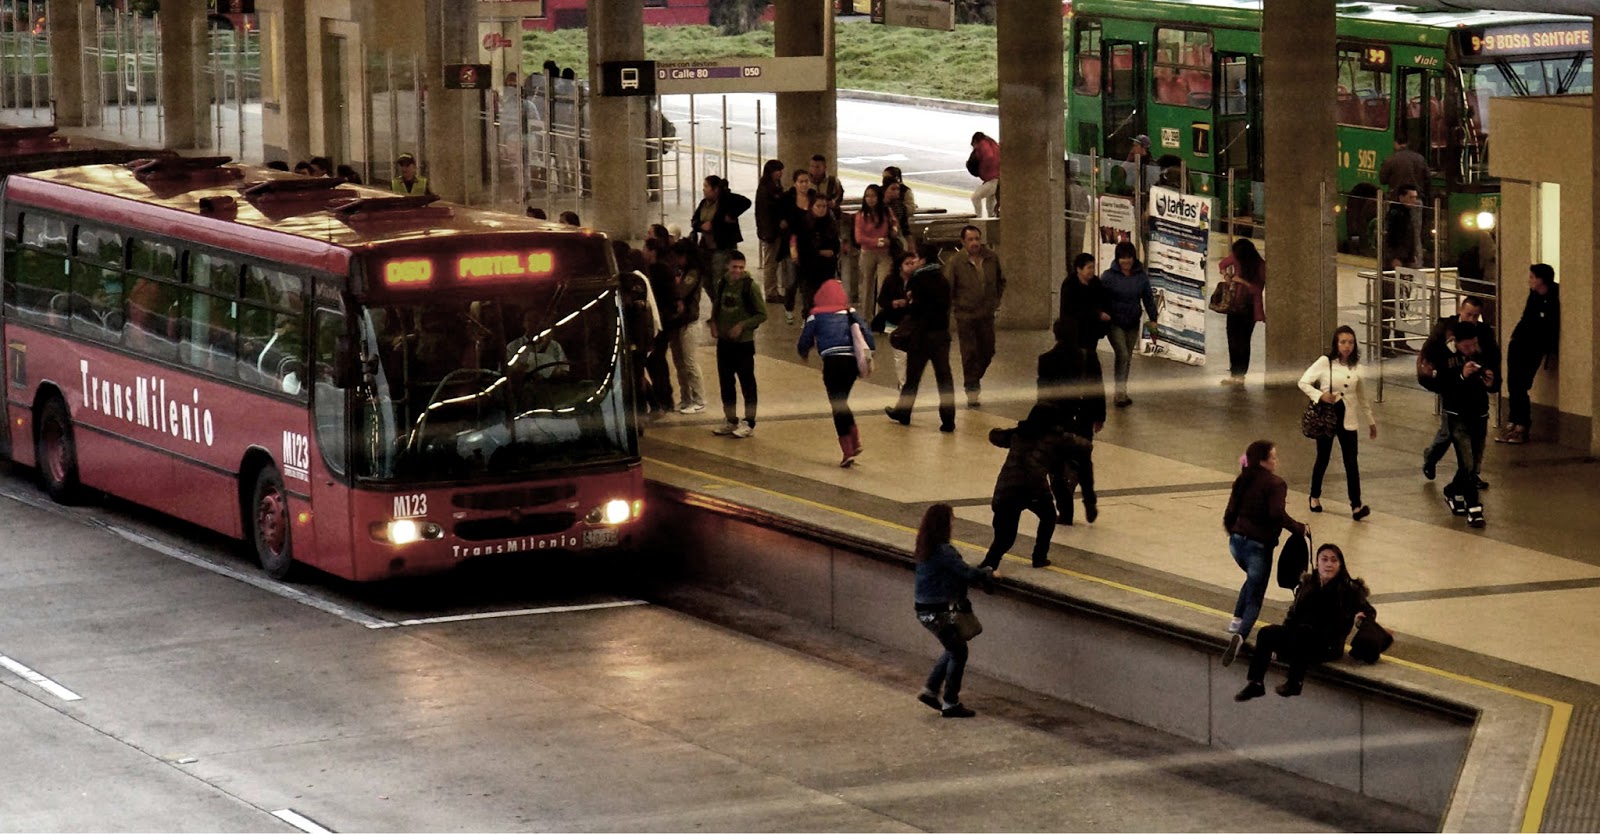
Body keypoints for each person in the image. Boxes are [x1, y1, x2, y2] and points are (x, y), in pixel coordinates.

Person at [1236, 543, 1374, 701]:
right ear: (1317, 563)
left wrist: (1359, 620)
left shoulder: (1350, 589)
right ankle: (1256, 683)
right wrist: (1281, 638)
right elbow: (1293, 615)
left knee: (1304, 633)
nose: (1329, 564)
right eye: (1325, 559)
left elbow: (1369, 612)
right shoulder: (1308, 584)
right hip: (1300, 638)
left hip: (1327, 645)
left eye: (1334, 560)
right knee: (1267, 633)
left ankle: (1295, 682)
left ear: (1340, 564)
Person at [1221, 439, 1308, 667]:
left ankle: (1235, 620)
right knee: (1257, 595)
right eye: (1273, 457)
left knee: (1252, 577)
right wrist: (1300, 528)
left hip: (1237, 543)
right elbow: (1277, 514)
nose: (1276, 461)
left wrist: (1233, 531)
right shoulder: (1275, 484)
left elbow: (1231, 510)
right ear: (1263, 461)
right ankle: (1240, 636)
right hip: (1259, 546)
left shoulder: (1243, 479)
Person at [979, 405, 1085, 571]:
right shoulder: (1055, 437)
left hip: (1007, 488)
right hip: (1035, 488)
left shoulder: (1018, 434)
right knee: (1048, 516)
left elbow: (994, 436)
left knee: (1004, 538)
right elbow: (1082, 445)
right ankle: (1039, 557)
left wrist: (1005, 430)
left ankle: (988, 565)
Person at [913, 503, 994, 719]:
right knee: (959, 652)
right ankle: (950, 702)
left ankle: (930, 690)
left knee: (953, 649)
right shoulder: (943, 551)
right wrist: (988, 574)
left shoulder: (924, 547)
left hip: (925, 610)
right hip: (940, 612)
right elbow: (966, 572)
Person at [1298, 326, 1377, 520]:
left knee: (1351, 461)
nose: (1347, 346)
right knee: (1323, 457)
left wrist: (1370, 420)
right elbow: (1303, 382)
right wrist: (1320, 395)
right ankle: (1314, 495)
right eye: (1343, 342)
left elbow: (1362, 395)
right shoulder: (1325, 362)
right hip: (1327, 415)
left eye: (1350, 342)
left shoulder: (1357, 367)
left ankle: (1356, 505)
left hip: (1348, 417)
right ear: (1336, 343)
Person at [798, 279, 875, 467]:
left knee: (837, 404)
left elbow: (805, 340)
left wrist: (803, 352)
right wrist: (870, 351)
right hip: (851, 364)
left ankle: (848, 449)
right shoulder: (851, 312)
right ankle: (855, 439)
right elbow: (867, 334)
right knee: (842, 402)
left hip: (832, 363)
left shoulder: (815, 315)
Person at [1421, 296, 1496, 488]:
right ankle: (1431, 458)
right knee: (1447, 434)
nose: (1472, 319)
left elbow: (1492, 358)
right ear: (1460, 310)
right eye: (1469, 314)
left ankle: (1472, 474)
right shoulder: (1445, 330)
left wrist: (1491, 380)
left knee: (1477, 442)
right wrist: (1428, 377)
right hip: (1453, 398)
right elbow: (1428, 353)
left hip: (1476, 399)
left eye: (1476, 316)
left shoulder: (1483, 333)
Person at [1429, 321, 1497, 527]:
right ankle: (1474, 507)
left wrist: (1491, 382)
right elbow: (1440, 385)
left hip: (1480, 413)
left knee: (1474, 464)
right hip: (1457, 414)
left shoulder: (1483, 351)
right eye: (1466, 346)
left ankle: (1452, 490)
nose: (1471, 350)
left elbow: (1495, 382)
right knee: (1465, 461)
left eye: (1474, 344)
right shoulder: (1444, 355)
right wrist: (1461, 375)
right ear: (1456, 343)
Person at [1037, 317, 1104, 525]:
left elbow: (1043, 395)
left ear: (1055, 335)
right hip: (1082, 416)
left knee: (1056, 467)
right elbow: (1097, 389)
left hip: (1057, 419)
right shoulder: (1088, 357)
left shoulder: (1046, 360)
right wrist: (1099, 416)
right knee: (1084, 461)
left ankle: (1065, 512)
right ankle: (1089, 501)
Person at [885, 247, 956, 432]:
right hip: (941, 334)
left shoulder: (917, 279)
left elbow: (915, 309)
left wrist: (908, 303)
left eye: (917, 258)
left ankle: (904, 411)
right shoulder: (943, 280)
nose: (915, 262)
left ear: (923, 260)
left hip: (922, 336)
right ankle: (948, 419)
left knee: (913, 377)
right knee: (944, 377)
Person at [1498, 263, 1559, 445]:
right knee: (1513, 382)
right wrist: (1514, 337)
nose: (1529, 280)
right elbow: (1526, 318)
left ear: (1542, 279)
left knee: (1521, 384)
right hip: (1520, 342)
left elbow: (1549, 325)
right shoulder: (1533, 296)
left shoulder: (1553, 297)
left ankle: (1522, 425)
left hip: (1535, 345)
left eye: (1532, 277)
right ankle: (1514, 420)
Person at [945, 225, 1004, 408]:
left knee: (988, 349)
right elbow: (948, 288)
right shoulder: (956, 262)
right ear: (963, 242)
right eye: (970, 239)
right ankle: (971, 386)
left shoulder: (991, 258)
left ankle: (974, 377)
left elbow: (1001, 281)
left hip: (986, 313)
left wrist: (995, 300)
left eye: (977, 238)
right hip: (966, 315)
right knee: (969, 352)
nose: (975, 243)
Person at [708, 252, 766, 438]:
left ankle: (749, 421)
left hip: (743, 344)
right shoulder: (722, 284)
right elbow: (716, 306)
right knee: (726, 382)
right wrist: (714, 323)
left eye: (741, 267)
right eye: (734, 267)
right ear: (727, 266)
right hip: (724, 343)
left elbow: (761, 314)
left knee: (747, 382)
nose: (738, 271)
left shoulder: (750, 287)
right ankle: (730, 419)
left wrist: (742, 325)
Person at [1100, 241, 1157, 407]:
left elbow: (1148, 298)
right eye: (1122, 258)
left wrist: (1153, 318)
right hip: (1114, 322)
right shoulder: (1108, 276)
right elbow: (1101, 297)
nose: (1126, 261)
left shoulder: (1141, 277)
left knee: (1127, 357)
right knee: (1123, 354)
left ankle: (1122, 390)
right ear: (1117, 259)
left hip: (1132, 322)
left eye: (1129, 257)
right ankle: (1119, 392)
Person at [664, 240, 707, 414]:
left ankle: (700, 399)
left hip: (690, 322)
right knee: (679, 363)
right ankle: (685, 398)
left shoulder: (693, 273)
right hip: (676, 323)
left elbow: (681, 291)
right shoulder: (678, 270)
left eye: (678, 257)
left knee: (690, 362)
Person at [692, 175, 752, 292]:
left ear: (715, 189)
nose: (704, 189)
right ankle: (717, 302)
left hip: (722, 247)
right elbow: (694, 220)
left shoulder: (726, 201)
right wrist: (700, 226)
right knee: (706, 280)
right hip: (705, 247)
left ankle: (720, 305)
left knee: (718, 279)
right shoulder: (704, 203)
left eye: (706, 186)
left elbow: (746, 202)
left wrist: (730, 216)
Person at [1381, 184, 1422, 355]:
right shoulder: (1395, 215)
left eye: (1415, 197)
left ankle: (1399, 340)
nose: (1414, 201)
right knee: (1391, 304)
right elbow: (1390, 240)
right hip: (1396, 265)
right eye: (1411, 197)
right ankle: (1386, 342)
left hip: (1404, 263)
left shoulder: (1405, 214)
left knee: (1401, 304)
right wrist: (1394, 259)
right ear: (1401, 197)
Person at [1219, 239, 1266, 385]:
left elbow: (1257, 289)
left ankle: (1239, 374)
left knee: (1242, 341)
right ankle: (1236, 373)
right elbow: (1222, 264)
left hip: (1249, 308)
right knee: (1235, 341)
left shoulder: (1260, 266)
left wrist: (1241, 281)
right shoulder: (1239, 258)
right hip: (1236, 306)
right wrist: (1227, 276)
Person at [854, 184, 898, 327]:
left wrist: (894, 230)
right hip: (868, 253)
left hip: (885, 254)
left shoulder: (886, 212)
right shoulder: (861, 215)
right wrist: (878, 241)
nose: (870, 199)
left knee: (883, 286)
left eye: (873, 196)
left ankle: (881, 319)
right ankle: (865, 318)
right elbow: (859, 238)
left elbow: (894, 225)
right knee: (866, 285)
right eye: (867, 196)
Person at [777, 171, 815, 325]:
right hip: (791, 244)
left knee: (807, 282)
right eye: (801, 181)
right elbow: (781, 218)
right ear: (795, 183)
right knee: (792, 281)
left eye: (807, 181)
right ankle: (789, 307)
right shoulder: (787, 199)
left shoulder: (814, 198)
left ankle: (806, 314)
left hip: (809, 246)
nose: (804, 184)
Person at [796, 195, 841, 319]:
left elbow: (836, 244)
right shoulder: (804, 223)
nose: (821, 209)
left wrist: (831, 252)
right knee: (810, 301)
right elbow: (803, 248)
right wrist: (820, 253)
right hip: (809, 270)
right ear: (812, 207)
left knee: (826, 302)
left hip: (827, 270)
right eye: (818, 206)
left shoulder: (830, 223)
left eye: (824, 206)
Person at [876, 251, 915, 387]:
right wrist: (893, 303)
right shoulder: (890, 280)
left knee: (911, 355)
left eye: (913, 263)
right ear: (900, 266)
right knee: (900, 355)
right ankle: (903, 384)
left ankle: (907, 382)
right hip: (894, 322)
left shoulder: (917, 280)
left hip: (911, 323)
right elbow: (881, 300)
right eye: (907, 263)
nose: (910, 266)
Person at [754, 159, 787, 303]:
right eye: (777, 171)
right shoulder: (766, 189)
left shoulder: (775, 186)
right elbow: (765, 213)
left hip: (774, 231)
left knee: (774, 262)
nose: (780, 173)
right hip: (770, 233)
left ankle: (773, 290)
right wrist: (769, 232)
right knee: (771, 263)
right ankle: (770, 292)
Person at [506, 309, 568, 379]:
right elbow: (505, 373)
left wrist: (554, 373)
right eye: (530, 320)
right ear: (524, 323)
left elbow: (564, 372)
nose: (534, 324)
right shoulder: (513, 347)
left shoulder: (555, 346)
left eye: (537, 320)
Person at [1378, 134, 1430, 201]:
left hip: (1396, 198)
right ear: (1408, 144)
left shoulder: (1391, 159)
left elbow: (1382, 179)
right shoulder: (1420, 158)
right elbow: (1428, 177)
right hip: (1415, 198)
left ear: (1396, 143)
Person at [967, 131, 1001, 217]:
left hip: (993, 178)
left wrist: (983, 171)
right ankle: (992, 221)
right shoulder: (992, 143)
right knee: (990, 204)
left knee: (975, 197)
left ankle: (978, 219)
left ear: (974, 142)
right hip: (998, 178)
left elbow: (989, 157)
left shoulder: (982, 145)